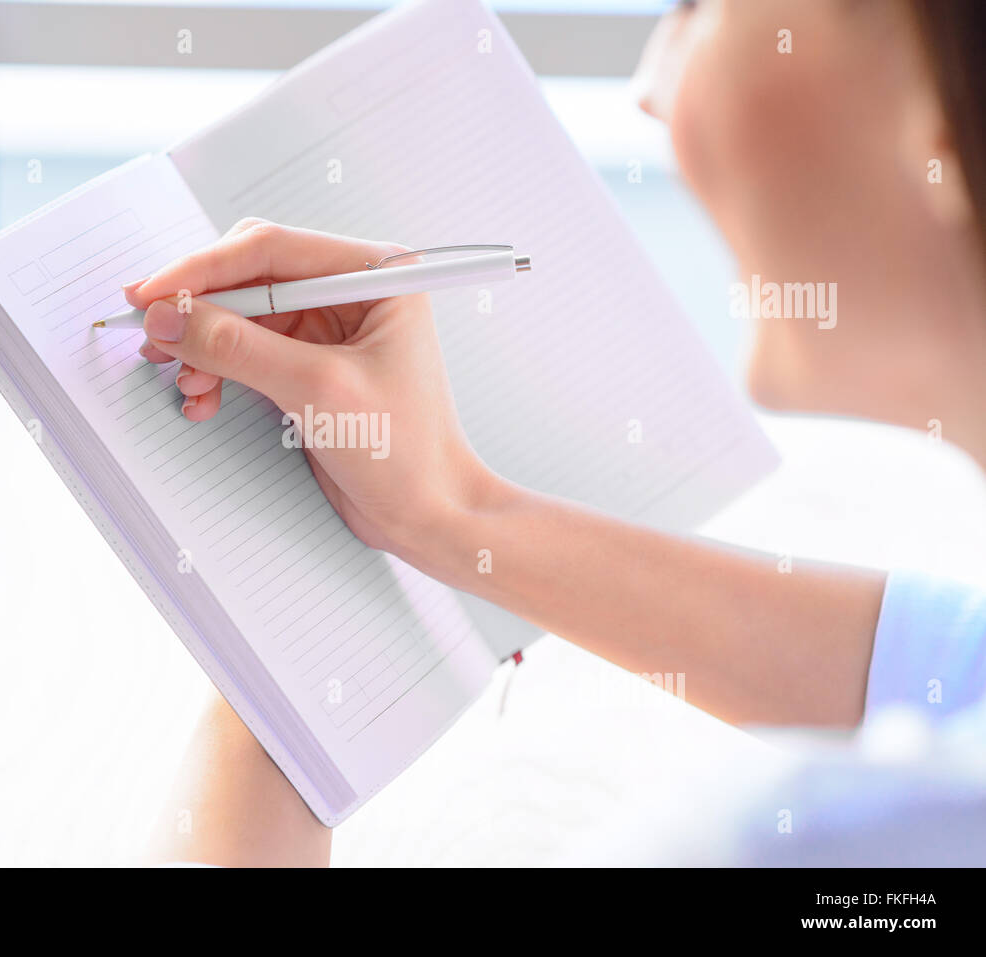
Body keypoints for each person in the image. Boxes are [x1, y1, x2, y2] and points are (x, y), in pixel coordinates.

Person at [129, 0, 986, 866]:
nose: (650, 86)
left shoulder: (849, 842)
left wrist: (271, 669)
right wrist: (449, 513)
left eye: (700, 6)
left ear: (942, 121)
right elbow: (948, 657)